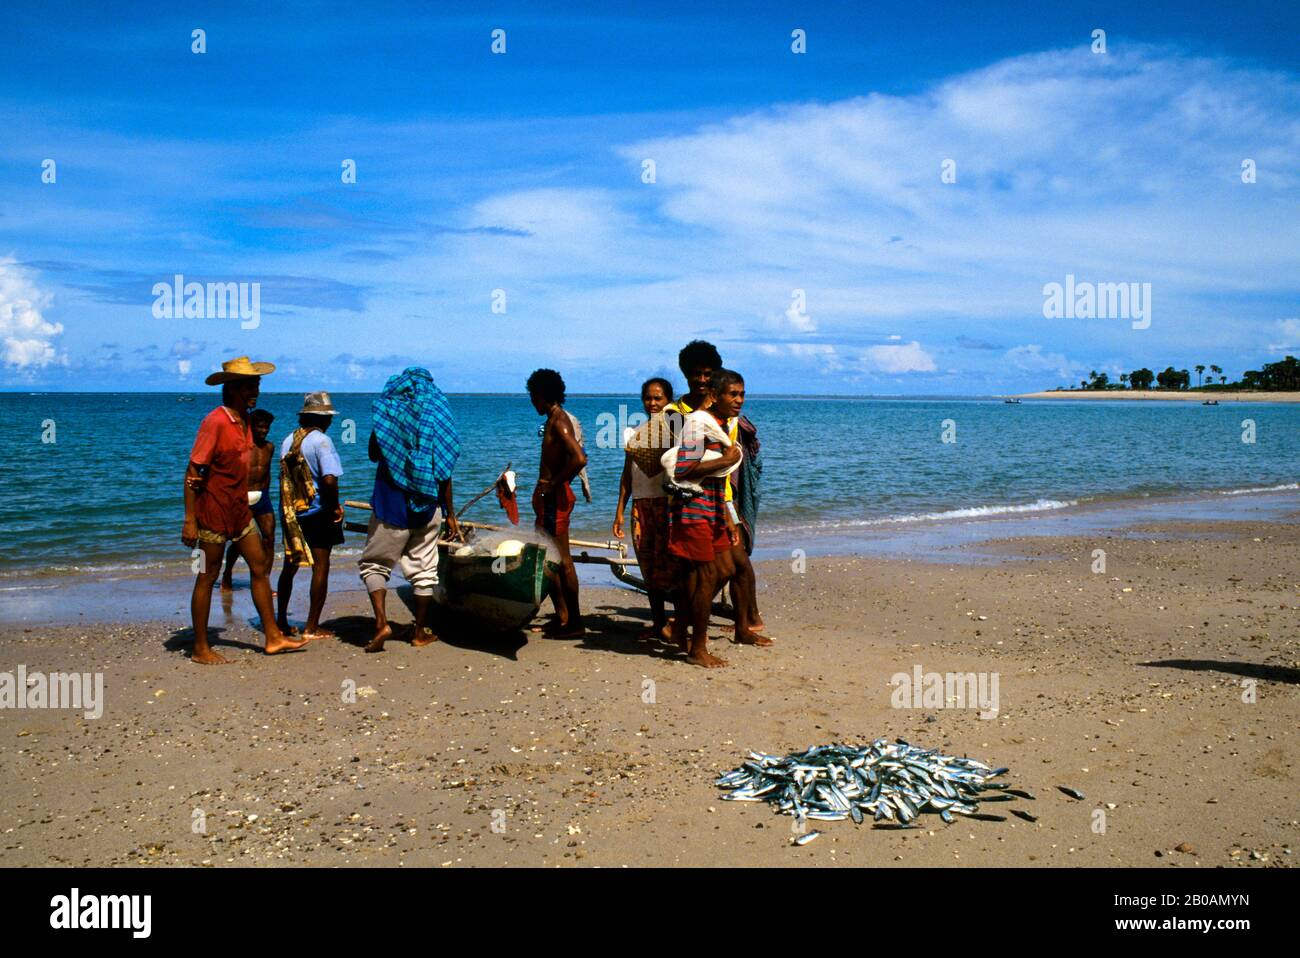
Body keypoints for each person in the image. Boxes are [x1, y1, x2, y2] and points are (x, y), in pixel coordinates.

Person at [181, 356, 306, 664]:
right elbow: (193, 474)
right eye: (252, 385)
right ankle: (199, 648)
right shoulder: (215, 422)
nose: (256, 391)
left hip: (239, 511)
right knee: (207, 578)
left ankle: (273, 636)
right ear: (235, 388)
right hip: (213, 512)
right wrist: (190, 519)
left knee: (260, 567)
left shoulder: (245, 422)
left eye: (257, 384)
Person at [667, 340, 769, 641]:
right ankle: (684, 627)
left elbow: (728, 463)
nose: (701, 380)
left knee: (737, 562)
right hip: (687, 498)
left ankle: (744, 625)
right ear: (686, 375)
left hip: (720, 498)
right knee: (698, 571)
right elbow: (683, 455)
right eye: (695, 374)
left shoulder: (729, 417)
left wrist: (729, 509)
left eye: (707, 374)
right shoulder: (676, 412)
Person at [359, 368, 460, 653]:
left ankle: (381, 624)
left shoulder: (389, 415)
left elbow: (373, 454)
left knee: (375, 564)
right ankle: (418, 631)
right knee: (425, 570)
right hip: (428, 507)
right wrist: (450, 513)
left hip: (390, 505)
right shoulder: (437, 414)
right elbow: (444, 470)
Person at [666, 369, 746, 667]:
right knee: (708, 576)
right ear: (715, 396)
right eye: (732, 394)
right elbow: (682, 470)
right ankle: (696, 648)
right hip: (692, 511)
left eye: (741, 394)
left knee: (725, 568)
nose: (738, 400)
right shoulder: (699, 425)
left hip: (713, 509)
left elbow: (715, 479)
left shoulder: (720, 425)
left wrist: (726, 513)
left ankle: (678, 627)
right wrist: (726, 460)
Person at [275, 392, 344, 640]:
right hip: (317, 511)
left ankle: (281, 620)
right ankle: (311, 627)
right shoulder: (322, 441)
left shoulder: (288, 440)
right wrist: (334, 507)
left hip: (293, 513)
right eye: (328, 417)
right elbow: (328, 478)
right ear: (321, 418)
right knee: (321, 566)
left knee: (290, 565)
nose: (331, 422)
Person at [527, 368, 587, 637]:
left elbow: (579, 458)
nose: (532, 401)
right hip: (548, 499)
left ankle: (574, 622)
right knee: (548, 559)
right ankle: (563, 616)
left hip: (555, 499)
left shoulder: (560, 421)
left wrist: (554, 484)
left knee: (562, 561)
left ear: (541, 395)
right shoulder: (553, 419)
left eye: (533, 396)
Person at [613, 377, 674, 640]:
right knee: (647, 566)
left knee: (671, 566)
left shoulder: (676, 432)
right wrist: (619, 511)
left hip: (666, 505)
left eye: (658, 398)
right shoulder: (633, 434)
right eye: (648, 398)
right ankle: (659, 623)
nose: (652, 403)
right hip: (640, 506)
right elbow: (627, 476)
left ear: (668, 400)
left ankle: (680, 621)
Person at [220, 408, 276, 590]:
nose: (264, 431)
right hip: (242, 498)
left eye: (267, 427)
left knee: (269, 537)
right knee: (239, 541)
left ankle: (264, 580)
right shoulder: (242, 448)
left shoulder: (269, 447)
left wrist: (266, 495)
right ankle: (227, 573)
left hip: (262, 496)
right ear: (251, 427)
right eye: (260, 427)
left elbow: (266, 473)